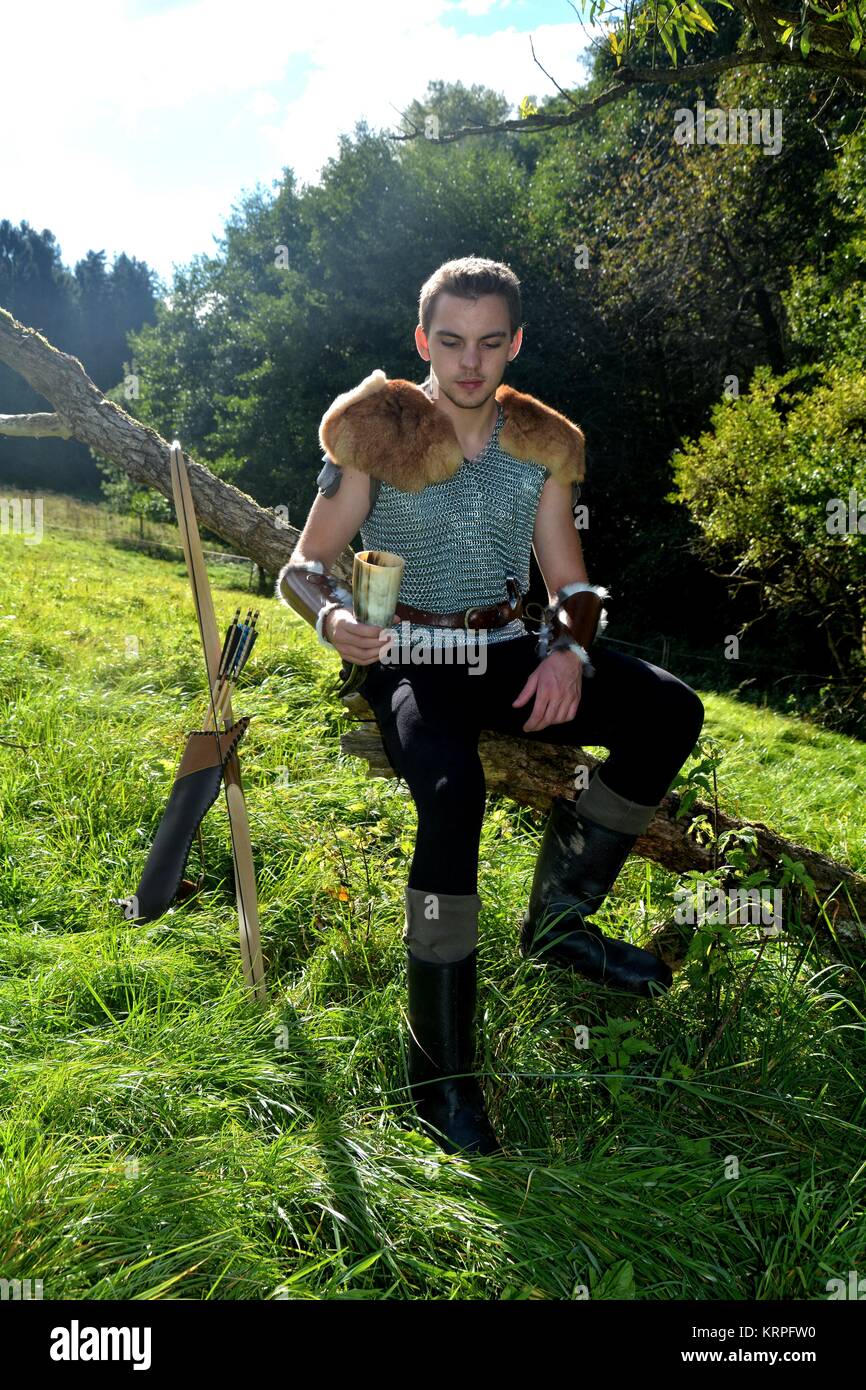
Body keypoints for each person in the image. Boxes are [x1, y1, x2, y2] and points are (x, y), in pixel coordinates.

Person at [277, 256, 705, 1158]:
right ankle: (439, 1076)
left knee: (669, 710)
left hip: (507, 647)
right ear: (422, 340)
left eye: (490, 343)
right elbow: (305, 565)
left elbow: (572, 578)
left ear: (515, 343)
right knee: (452, 792)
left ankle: (558, 921)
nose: (470, 364)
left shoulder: (544, 444)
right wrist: (335, 619)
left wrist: (569, 650)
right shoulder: (373, 429)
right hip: (410, 655)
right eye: (451, 341)